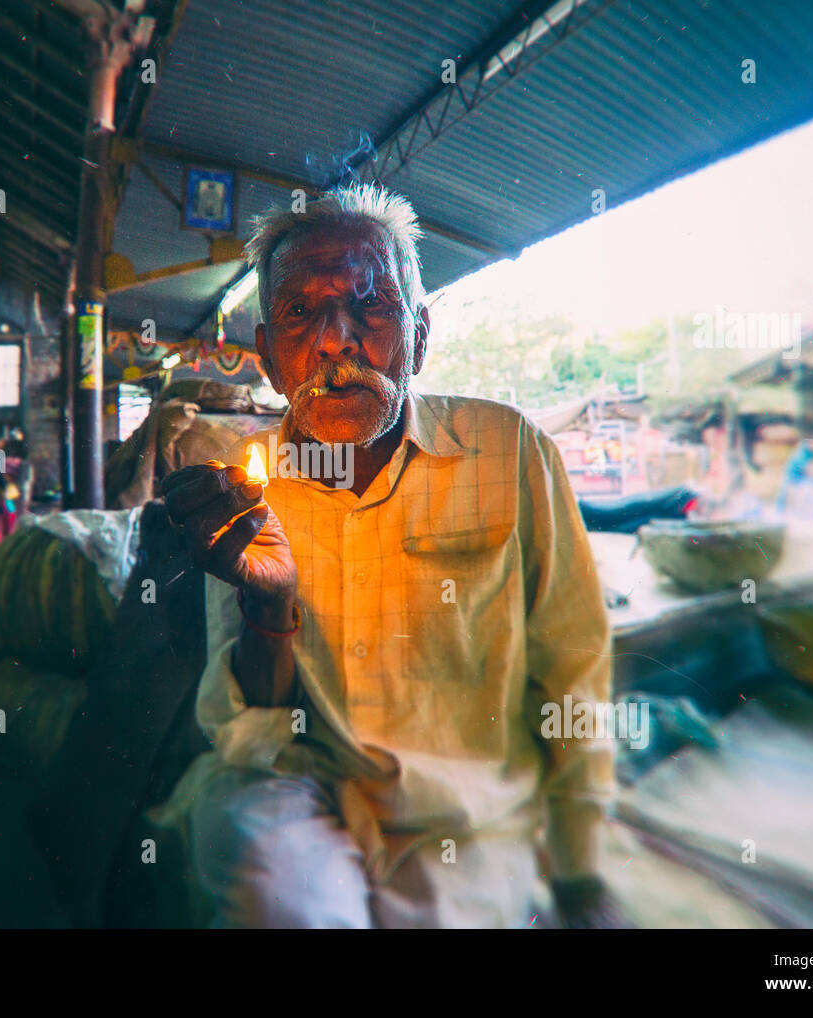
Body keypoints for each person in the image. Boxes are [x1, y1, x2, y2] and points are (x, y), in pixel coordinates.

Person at [159, 183, 626, 929]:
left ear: (420, 333)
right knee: (277, 898)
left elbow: (573, 661)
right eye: (300, 312)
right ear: (268, 356)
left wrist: (580, 869)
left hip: (465, 817)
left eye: (370, 304)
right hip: (300, 786)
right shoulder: (246, 485)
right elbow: (250, 732)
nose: (335, 341)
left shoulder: (508, 452)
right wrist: (271, 603)